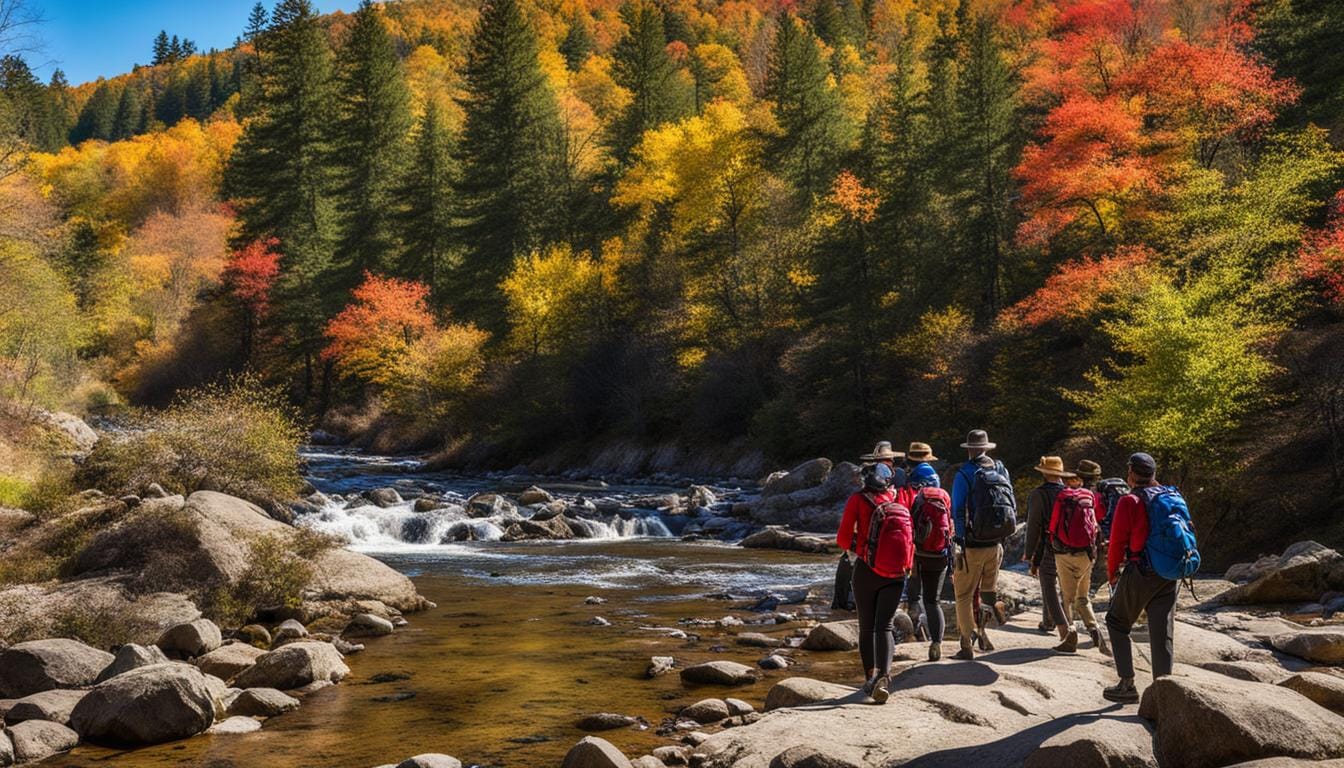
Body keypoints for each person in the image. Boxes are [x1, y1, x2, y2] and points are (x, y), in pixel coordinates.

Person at [1103, 453, 1181, 703]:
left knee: (1116, 622)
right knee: (1161, 630)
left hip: (1142, 570)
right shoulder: (1171, 495)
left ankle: (1127, 685)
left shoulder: (1130, 501)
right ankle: (1163, 691)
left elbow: (1116, 542)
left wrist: (1112, 572)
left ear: (1132, 474)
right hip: (1169, 570)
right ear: (1153, 473)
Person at [837, 459, 912, 704]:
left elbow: (842, 539)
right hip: (898, 572)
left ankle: (870, 676)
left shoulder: (858, 499)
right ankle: (885, 676)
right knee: (886, 626)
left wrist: (863, 547)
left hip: (868, 570)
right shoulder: (898, 497)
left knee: (867, 626)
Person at [950, 429, 1012, 660]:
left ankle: (967, 643)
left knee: (964, 595)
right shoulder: (1000, 469)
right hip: (996, 543)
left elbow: (957, 510)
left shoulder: (965, 473)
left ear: (969, 450)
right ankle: (986, 629)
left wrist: (959, 541)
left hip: (973, 544)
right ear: (986, 448)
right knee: (987, 592)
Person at [1049, 469, 1110, 656]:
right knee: (1083, 597)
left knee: (1067, 598)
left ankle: (1071, 635)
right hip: (1086, 553)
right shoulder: (1090, 496)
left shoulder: (1062, 496)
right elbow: (1098, 519)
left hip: (1064, 553)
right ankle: (1094, 630)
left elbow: (1053, 524)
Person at [901, 458, 953, 661]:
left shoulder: (918, 497)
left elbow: (911, 526)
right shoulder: (945, 496)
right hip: (939, 556)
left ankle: (912, 625)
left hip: (920, 554)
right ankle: (936, 643)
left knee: (914, 591)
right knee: (933, 600)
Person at [1024, 456, 1072, 650]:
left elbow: (1034, 526)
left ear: (1044, 473)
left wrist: (1029, 553)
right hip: (1072, 547)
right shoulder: (1069, 492)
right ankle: (1048, 621)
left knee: (1049, 586)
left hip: (1050, 546)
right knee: (1067, 589)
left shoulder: (1039, 494)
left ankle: (1064, 628)